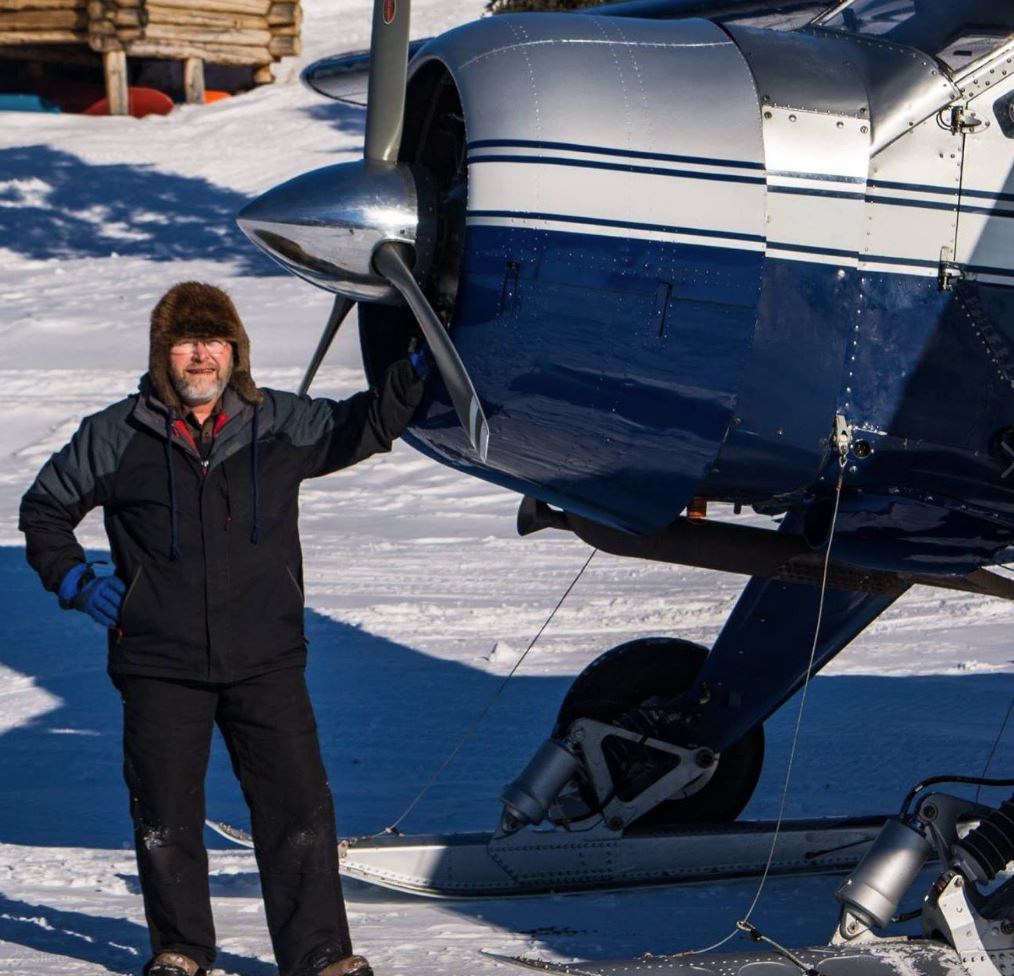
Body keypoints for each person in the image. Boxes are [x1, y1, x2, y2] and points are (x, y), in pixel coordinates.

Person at [19, 282, 426, 976]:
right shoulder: (116, 435)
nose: (200, 354)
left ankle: (320, 955)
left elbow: (368, 424)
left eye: (214, 340)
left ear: (235, 352)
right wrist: (77, 583)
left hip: (265, 659)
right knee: (166, 819)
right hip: (159, 663)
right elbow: (44, 509)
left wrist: (422, 362)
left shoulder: (280, 425)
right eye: (186, 342)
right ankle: (180, 952)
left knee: (298, 813)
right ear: (163, 356)